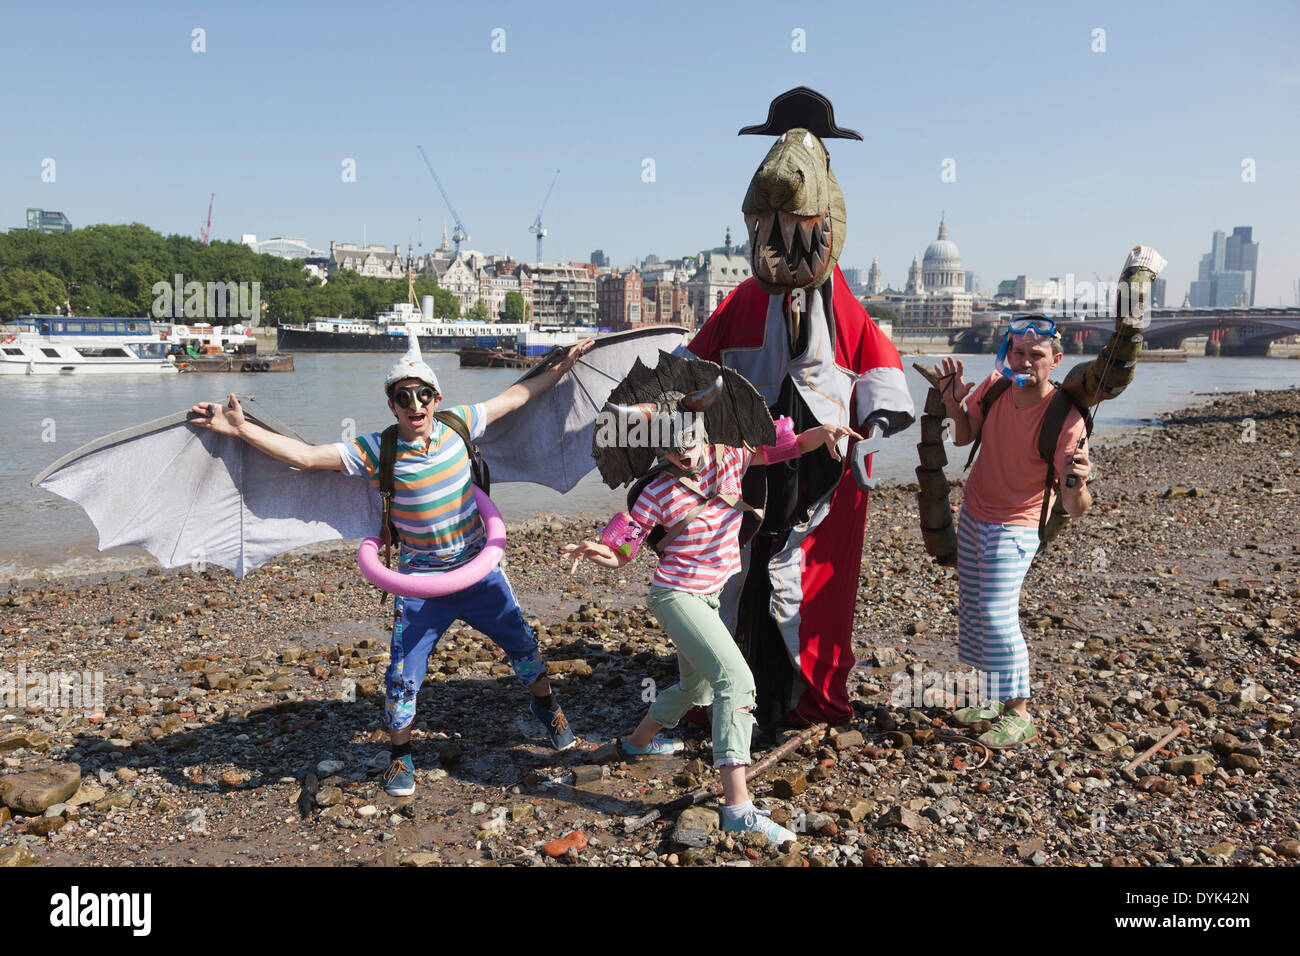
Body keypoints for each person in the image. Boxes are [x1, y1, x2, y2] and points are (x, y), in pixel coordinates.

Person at [190, 333, 593, 796]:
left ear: (436, 398)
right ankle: (401, 756)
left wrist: (564, 363)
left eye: (423, 394)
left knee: (525, 648)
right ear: (392, 405)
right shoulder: (376, 451)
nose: (415, 404)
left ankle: (547, 709)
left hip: (479, 571)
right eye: (404, 397)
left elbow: (518, 395)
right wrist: (240, 429)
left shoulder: (461, 424)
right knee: (402, 676)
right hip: (418, 580)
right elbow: (303, 457)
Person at [565, 410, 859, 844]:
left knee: (696, 688)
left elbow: (792, 446)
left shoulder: (733, 458)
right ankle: (738, 808)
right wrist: (598, 549)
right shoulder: (655, 492)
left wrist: (826, 431)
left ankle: (637, 743)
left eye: (686, 441)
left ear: (702, 433)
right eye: (668, 447)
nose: (680, 453)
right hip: (675, 597)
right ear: (656, 449)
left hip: (708, 595)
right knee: (737, 682)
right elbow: (624, 551)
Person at [934, 317, 1092, 749]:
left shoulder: (1068, 419)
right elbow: (964, 437)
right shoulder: (995, 385)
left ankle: (1020, 713)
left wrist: (1078, 480)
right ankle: (991, 700)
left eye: (1036, 355)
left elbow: (1076, 508)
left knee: (996, 614)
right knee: (972, 610)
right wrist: (952, 402)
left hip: (1019, 523)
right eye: (1018, 353)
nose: (1025, 361)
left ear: (1055, 361)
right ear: (1007, 355)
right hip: (974, 511)